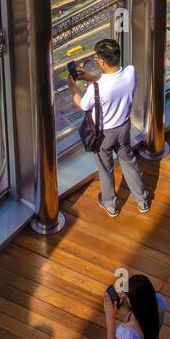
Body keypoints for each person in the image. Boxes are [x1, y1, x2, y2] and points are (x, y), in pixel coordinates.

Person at [67, 38, 150, 216]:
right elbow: (113, 82)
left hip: (102, 135)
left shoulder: (96, 87)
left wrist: (73, 88)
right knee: (129, 162)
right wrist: (91, 78)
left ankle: (111, 204)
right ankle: (142, 200)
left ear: (102, 61)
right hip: (124, 128)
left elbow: (83, 105)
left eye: (97, 58)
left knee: (105, 169)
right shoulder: (130, 72)